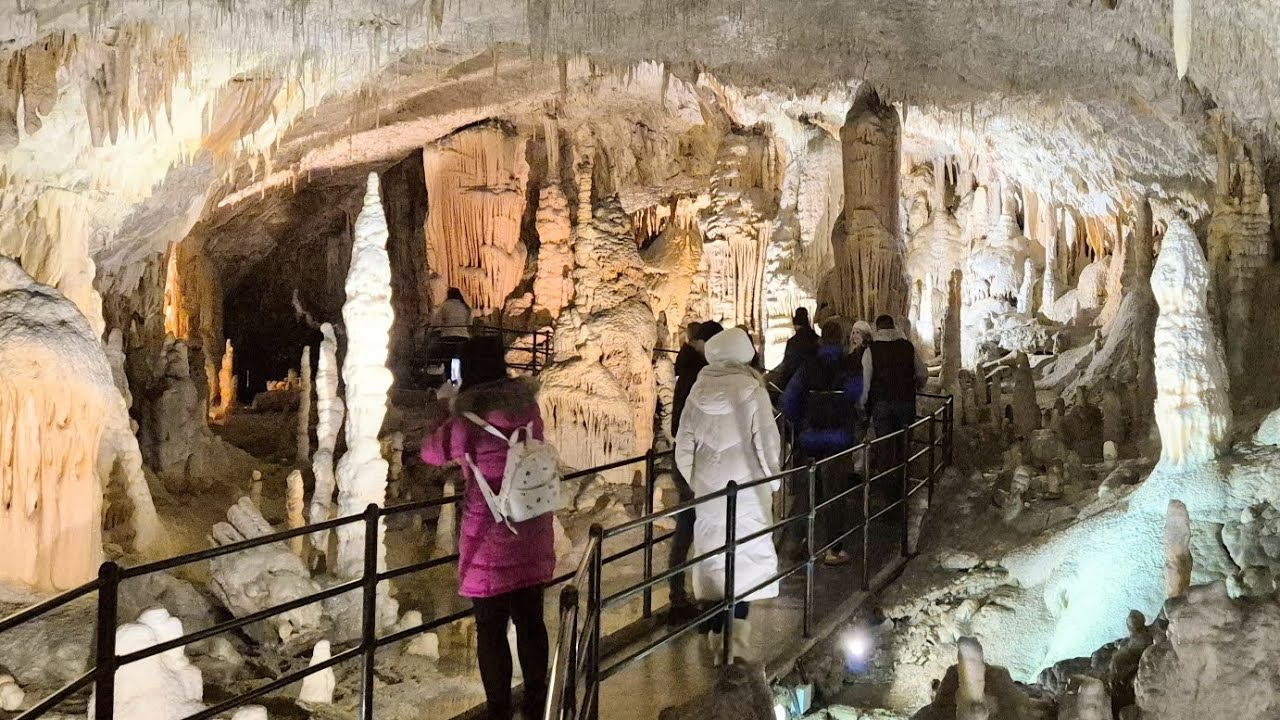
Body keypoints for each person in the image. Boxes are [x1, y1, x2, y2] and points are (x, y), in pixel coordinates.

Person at [419, 336, 551, 720]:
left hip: (489, 538)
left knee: (491, 630)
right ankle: (537, 699)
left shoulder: (466, 420)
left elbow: (430, 451)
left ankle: (499, 710)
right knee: (531, 620)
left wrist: (446, 407)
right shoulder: (528, 408)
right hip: (531, 526)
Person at [675, 327, 782, 664]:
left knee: (714, 558)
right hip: (746, 488)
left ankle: (714, 635)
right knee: (743, 561)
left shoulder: (697, 390)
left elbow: (683, 446)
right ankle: (733, 645)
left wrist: (697, 480)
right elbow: (767, 442)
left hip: (709, 489)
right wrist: (774, 481)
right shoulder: (752, 389)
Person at [779, 320, 864, 565]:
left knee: (806, 494)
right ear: (841, 339)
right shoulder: (849, 365)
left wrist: (799, 425)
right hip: (838, 441)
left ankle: (797, 543)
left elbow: (789, 400)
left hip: (810, 440)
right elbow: (856, 394)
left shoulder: (808, 366)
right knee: (835, 495)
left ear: (820, 339)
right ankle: (833, 550)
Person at [668, 320, 723, 620]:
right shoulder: (697, 375)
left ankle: (683, 594)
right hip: (695, 461)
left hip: (689, 459)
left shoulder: (690, 370)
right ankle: (691, 595)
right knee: (696, 527)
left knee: (689, 527)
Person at [860, 314, 928, 438]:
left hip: (881, 402)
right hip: (905, 400)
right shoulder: (907, 347)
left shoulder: (871, 350)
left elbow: (866, 382)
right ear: (893, 326)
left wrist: (862, 403)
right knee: (904, 443)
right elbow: (923, 373)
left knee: (884, 444)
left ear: (877, 328)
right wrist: (918, 386)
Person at [767, 308, 820, 390]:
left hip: (796, 382)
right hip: (814, 381)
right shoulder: (817, 339)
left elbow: (788, 365)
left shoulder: (793, 342)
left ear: (796, 325)